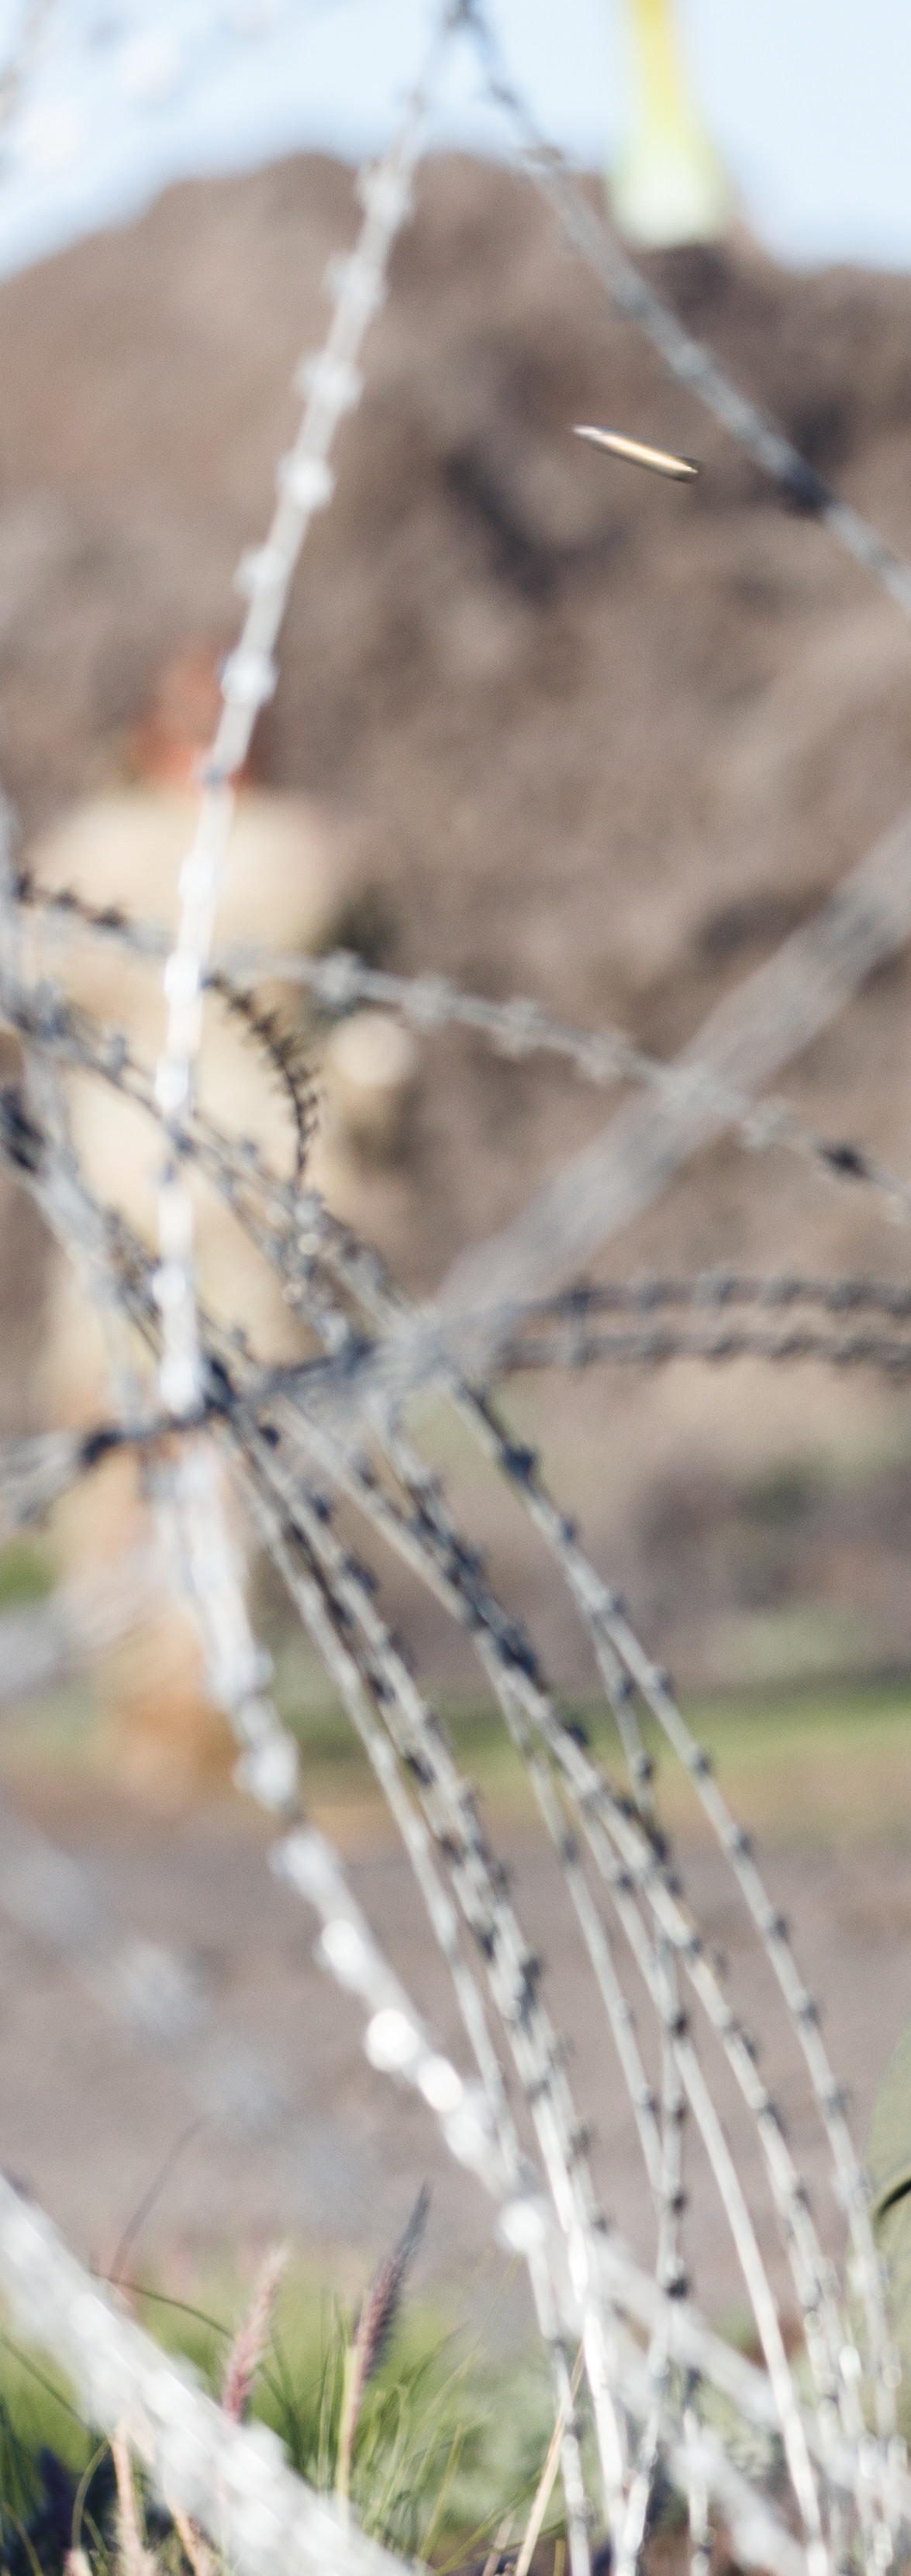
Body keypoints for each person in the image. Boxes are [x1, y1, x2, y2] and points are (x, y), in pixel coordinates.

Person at [28, 644, 412, 1799]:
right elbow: (373, 1045)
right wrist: (378, 1141)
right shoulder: (318, 857)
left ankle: (149, 1698)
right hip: (270, 1185)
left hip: (122, 1184)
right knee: (235, 1445)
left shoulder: (93, 853)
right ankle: (210, 1688)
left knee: (123, 1435)